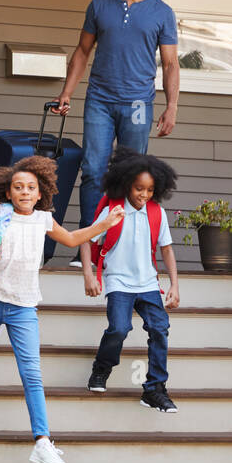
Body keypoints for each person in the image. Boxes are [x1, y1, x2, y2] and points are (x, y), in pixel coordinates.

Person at [0, 155, 123, 463]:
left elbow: (72, 238)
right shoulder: (0, 212)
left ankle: (42, 442)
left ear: (40, 192)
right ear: (8, 192)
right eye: (18, 187)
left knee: (32, 374)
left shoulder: (44, 220)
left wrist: (104, 225)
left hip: (24, 308)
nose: (25, 192)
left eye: (31, 187)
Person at [55, 0, 180, 268]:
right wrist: (66, 92)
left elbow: (170, 64)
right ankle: (87, 248)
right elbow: (82, 51)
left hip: (138, 102)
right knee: (94, 170)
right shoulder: (99, 5)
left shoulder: (162, 12)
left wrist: (172, 106)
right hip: (100, 98)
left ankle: (121, 250)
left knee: (131, 174)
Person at [80, 147, 181, 412]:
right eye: (138, 188)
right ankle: (102, 368)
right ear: (126, 184)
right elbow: (86, 239)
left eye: (149, 190)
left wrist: (174, 285)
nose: (143, 195)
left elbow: (167, 249)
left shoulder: (157, 213)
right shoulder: (113, 211)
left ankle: (155, 389)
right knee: (119, 329)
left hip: (148, 283)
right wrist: (89, 276)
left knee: (159, 329)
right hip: (118, 283)